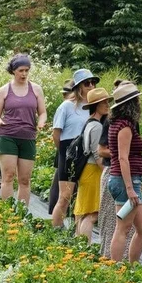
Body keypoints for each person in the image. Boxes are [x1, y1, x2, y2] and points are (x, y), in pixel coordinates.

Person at [0, 53, 47, 203]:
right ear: (13, 71)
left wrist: (41, 122)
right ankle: (8, 214)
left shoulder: (36, 89)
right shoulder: (4, 90)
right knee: (8, 176)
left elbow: (42, 113)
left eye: (26, 70)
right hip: (7, 136)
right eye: (21, 70)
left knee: (24, 180)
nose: (24, 74)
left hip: (28, 137)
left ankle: (22, 216)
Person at [107, 82, 142, 263]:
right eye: (137, 100)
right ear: (131, 104)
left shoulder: (122, 124)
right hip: (126, 182)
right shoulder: (124, 127)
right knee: (122, 228)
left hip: (131, 181)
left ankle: (132, 267)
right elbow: (123, 158)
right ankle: (115, 271)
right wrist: (130, 188)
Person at [50, 69, 98, 227]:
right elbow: (56, 134)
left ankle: (79, 233)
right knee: (65, 196)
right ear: (79, 87)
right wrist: (65, 153)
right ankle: (56, 230)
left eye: (93, 82)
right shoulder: (66, 107)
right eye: (87, 83)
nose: (91, 86)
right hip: (69, 151)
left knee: (82, 196)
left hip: (87, 152)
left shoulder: (94, 107)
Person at [97, 80, 135, 257]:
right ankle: (111, 261)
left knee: (130, 225)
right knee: (114, 222)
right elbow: (101, 150)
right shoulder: (115, 123)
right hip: (117, 175)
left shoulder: (131, 123)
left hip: (125, 176)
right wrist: (123, 153)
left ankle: (123, 262)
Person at [73, 87, 111, 240]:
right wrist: (106, 173)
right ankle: (85, 247)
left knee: (84, 212)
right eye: (104, 102)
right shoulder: (96, 126)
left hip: (88, 171)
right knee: (92, 213)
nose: (107, 105)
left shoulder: (90, 123)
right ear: (96, 105)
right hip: (93, 171)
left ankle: (79, 245)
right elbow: (97, 154)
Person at [47, 79, 78, 213]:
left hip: (73, 149)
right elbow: (56, 133)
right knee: (61, 186)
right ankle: (54, 211)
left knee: (63, 183)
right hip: (65, 148)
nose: (67, 96)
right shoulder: (65, 107)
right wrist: (63, 151)